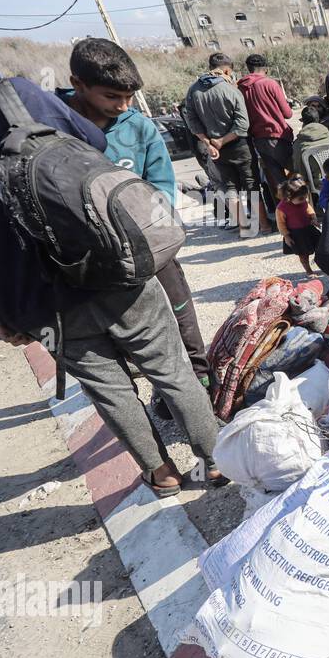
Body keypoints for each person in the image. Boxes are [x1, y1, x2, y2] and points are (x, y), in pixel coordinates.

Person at [0, 75, 224, 496]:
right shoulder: (19, 95)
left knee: (110, 391)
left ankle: (162, 474)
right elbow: (94, 145)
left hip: (46, 306)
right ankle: (213, 461)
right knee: (172, 371)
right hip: (113, 270)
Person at [60, 38, 210, 413]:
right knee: (114, 336)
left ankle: (200, 377)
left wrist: (147, 229)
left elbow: (162, 186)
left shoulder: (139, 128)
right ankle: (138, 401)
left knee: (179, 313)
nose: (123, 106)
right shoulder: (54, 128)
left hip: (148, 250)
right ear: (77, 84)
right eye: (112, 96)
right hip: (87, 261)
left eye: (128, 97)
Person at [181, 52, 256, 230]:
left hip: (214, 149)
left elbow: (192, 122)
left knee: (228, 186)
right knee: (251, 182)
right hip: (237, 144)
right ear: (227, 70)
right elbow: (242, 124)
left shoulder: (193, 90)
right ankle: (263, 223)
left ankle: (243, 225)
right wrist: (222, 140)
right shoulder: (230, 88)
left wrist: (208, 143)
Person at [237, 53, 294, 217]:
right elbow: (288, 113)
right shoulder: (270, 84)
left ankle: (286, 215)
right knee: (296, 172)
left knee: (278, 180)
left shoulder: (241, 88)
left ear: (248, 69)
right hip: (278, 136)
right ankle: (305, 210)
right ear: (266, 68)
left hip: (258, 140)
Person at [274, 176, 321, 275]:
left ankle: (322, 264)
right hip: (297, 234)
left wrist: (313, 219)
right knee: (303, 254)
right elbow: (281, 224)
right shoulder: (281, 208)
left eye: (305, 197)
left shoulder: (303, 200)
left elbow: (309, 209)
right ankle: (308, 270)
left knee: (321, 246)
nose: (304, 200)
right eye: (301, 198)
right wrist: (286, 236)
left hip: (309, 229)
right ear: (289, 197)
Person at [291, 103, 329, 200]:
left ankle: (255, 214)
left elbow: (299, 170)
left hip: (318, 183)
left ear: (303, 122)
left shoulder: (298, 143)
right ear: (318, 119)